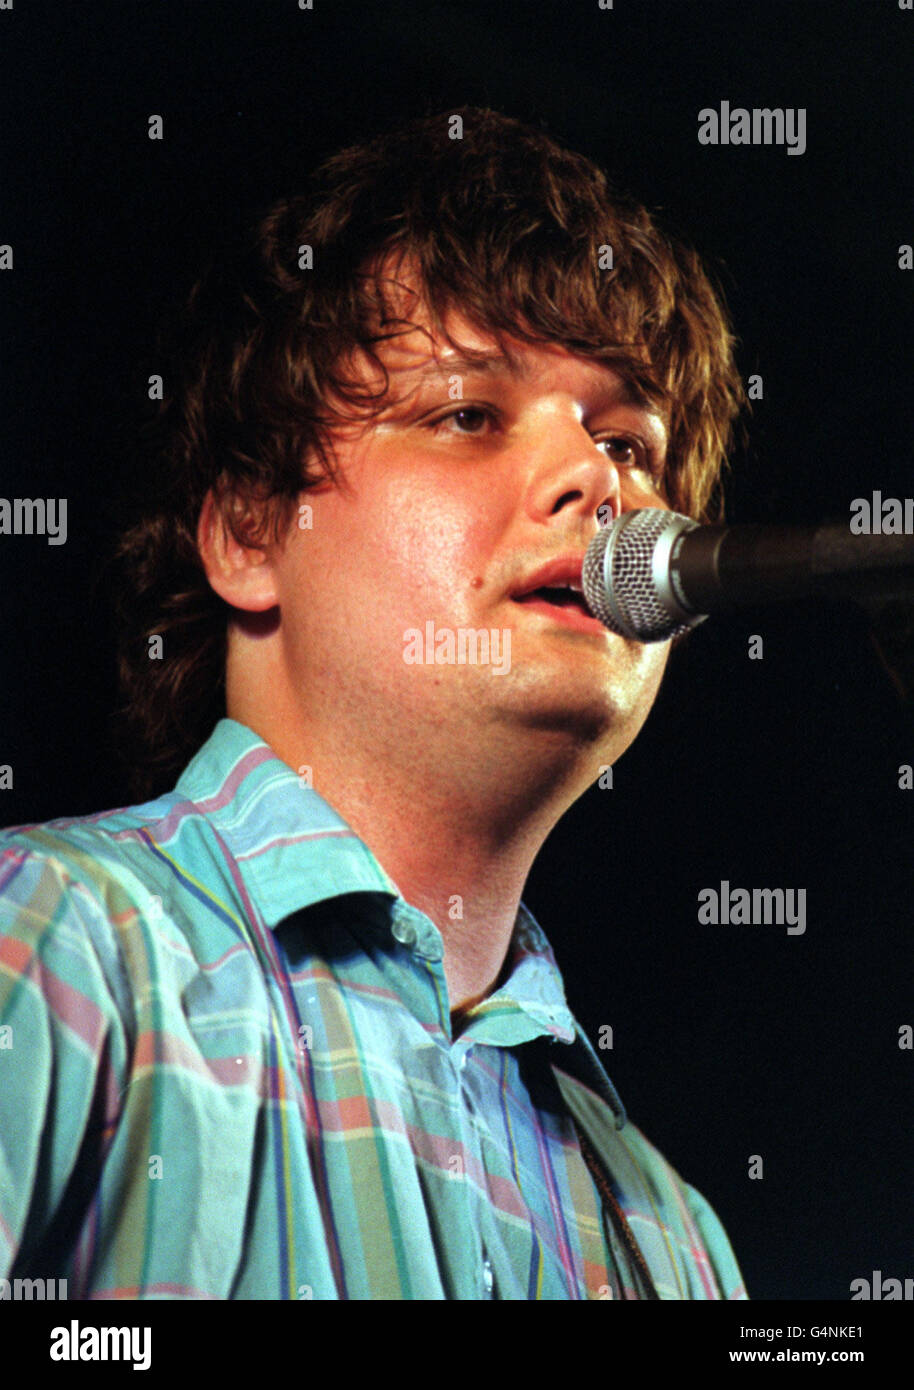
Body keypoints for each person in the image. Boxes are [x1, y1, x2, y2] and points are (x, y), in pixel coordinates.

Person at [0, 107, 747, 1300]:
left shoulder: (668, 1233)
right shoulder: (49, 940)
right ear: (250, 531)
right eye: (465, 414)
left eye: (627, 441)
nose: (594, 482)